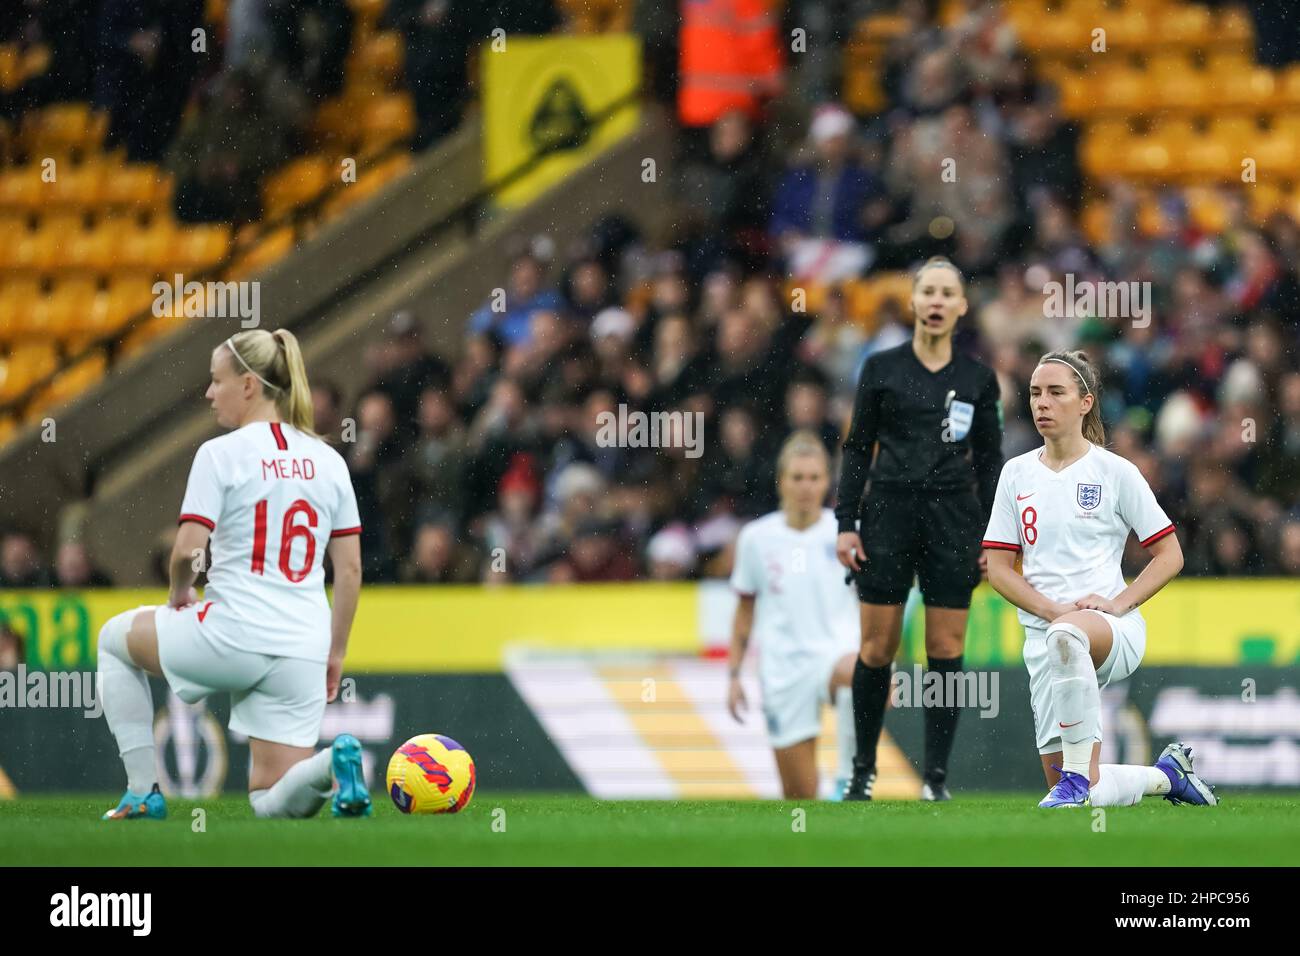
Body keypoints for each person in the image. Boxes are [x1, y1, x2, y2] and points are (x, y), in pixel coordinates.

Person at [96, 329, 371, 820]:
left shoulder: (220, 453)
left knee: (113, 640)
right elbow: (349, 569)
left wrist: (180, 594)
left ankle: (142, 792)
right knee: (272, 800)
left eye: (215, 380)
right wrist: (336, 651)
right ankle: (334, 763)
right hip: (302, 647)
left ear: (248, 385)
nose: (208, 393)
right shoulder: (330, 460)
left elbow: (186, 550)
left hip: (232, 635)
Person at [982, 349, 1216, 808]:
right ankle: (1167, 776)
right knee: (1074, 792)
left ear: (1085, 402)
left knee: (1069, 635)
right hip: (1042, 637)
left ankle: (1080, 776)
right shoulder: (1016, 473)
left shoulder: (1114, 471)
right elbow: (996, 567)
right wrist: (1050, 611)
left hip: (1110, 629)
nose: (1041, 403)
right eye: (1034, 393)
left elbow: (1170, 554)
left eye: (1055, 392)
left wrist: (1120, 603)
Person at [835, 256, 1003, 801]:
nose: (934, 302)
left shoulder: (979, 379)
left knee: (945, 646)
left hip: (954, 519)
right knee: (877, 647)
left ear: (960, 307)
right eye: (926, 292)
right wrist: (846, 522)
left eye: (945, 293)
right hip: (887, 513)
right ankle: (863, 771)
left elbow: (991, 462)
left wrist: (994, 539)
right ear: (912, 302)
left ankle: (934, 778)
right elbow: (858, 447)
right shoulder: (881, 368)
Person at [727, 431, 859, 800]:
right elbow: (744, 611)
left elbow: (878, 603)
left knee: (859, 675)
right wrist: (735, 674)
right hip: (783, 669)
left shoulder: (847, 533)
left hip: (836, 654)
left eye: (814, 477)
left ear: (827, 482)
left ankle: (851, 781)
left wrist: (882, 663)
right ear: (781, 481)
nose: (806, 486)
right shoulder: (756, 538)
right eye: (797, 477)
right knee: (800, 797)